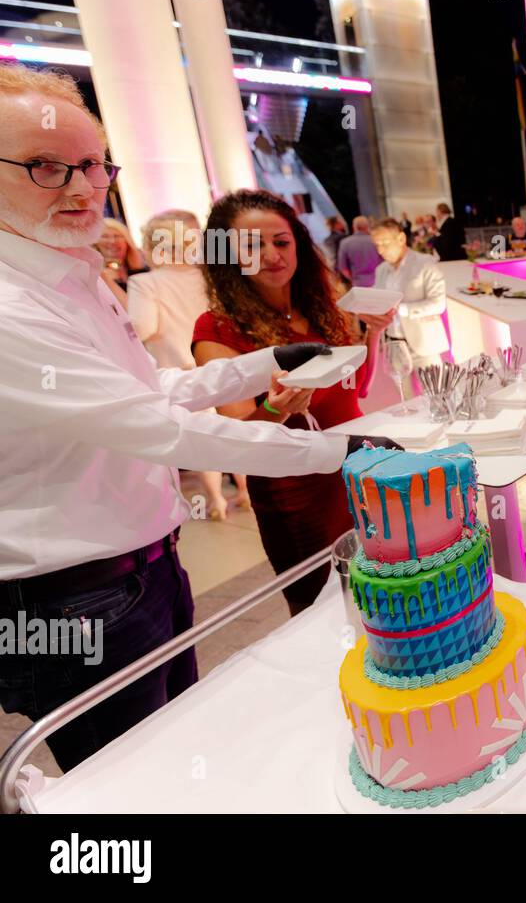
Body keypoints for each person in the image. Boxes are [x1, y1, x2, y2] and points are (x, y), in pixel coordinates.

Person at [0, 63, 398, 771]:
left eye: (93, 165)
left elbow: (152, 387)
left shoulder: (73, 275)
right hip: (75, 602)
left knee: (179, 752)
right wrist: (337, 451)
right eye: (45, 166)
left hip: (147, 569)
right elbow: (161, 428)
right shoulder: (12, 306)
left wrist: (266, 359)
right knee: (131, 784)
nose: (83, 186)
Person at [193, 189, 398, 616]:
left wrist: (372, 333)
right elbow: (235, 438)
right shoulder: (217, 328)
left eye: (281, 242)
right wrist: (278, 407)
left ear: (298, 245)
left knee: (385, 595)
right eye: (252, 245)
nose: (271, 255)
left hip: (357, 471)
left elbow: (356, 388)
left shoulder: (321, 307)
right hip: (296, 492)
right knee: (323, 613)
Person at [129, 208, 248, 520]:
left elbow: (142, 326)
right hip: (220, 363)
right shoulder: (212, 278)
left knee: (202, 438)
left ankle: (216, 501)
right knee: (234, 430)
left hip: (179, 372)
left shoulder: (146, 284)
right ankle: (247, 492)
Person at [371, 216, 451, 372]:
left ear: (401, 238)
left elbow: (438, 304)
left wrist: (401, 309)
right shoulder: (380, 270)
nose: (380, 250)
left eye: (385, 243)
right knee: (405, 395)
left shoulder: (425, 263)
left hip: (424, 343)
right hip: (393, 344)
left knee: (437, 392)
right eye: (377, 245)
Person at [94, 217, 145, 308]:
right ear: (95, 243)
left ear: (127, 241)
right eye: (105, 236)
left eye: (117, 236)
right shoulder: (95, 276)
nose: (112, 241)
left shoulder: (143, 269)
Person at [336, 214, 382, 288]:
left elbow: (343, 268)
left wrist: (352, 279)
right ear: (367, 227)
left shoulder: (345, 243)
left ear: (354, 227)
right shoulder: (376, 240)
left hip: (359, 283)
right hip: (379, 280)